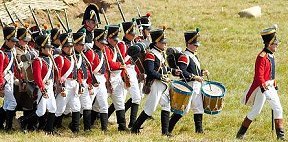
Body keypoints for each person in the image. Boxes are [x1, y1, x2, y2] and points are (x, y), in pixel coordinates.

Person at [236, 25, 285, 140]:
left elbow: (271, 72)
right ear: (269, 44)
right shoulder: (262, 57)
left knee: (255, 111)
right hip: (263, 87)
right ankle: (281, 137)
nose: (277, 45)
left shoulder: (271, 55)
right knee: (278, 109)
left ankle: (240, 134)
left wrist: (274, 82)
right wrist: (265, 88)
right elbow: (259, 76)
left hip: (269, 85)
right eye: (275, 43)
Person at [131, 29, 181, 136]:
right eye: (163, 42)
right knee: (150, 108)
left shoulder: (159, 53)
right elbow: (150, 71)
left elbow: (162, 67)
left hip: (161, 84)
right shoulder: (151, 55)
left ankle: (165, 132)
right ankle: (134, 128)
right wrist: (162, 77)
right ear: (157, 42)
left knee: (166, 105)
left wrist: (172, 71)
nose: (165, 44)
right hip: (155, 83)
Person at [168, 29, 209, 135]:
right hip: (189, 85)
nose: (197, 46)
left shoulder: (194, 56)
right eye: (194, 45)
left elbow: (193, 69)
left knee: (199, 108)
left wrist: (202, 72)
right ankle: (168, 129)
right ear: (188, 44)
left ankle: (199, 131)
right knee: (183, 110)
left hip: (196, 85)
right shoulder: (184, 56)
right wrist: (195, 77)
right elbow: (182, 72)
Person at [107, 21, 142, 128]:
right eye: (131, 33)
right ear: (126, 33)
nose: (133, 35)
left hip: (132, 70)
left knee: (136, 97)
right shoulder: (121, 44)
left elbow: (135, 61)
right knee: (121, 99)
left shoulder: (133, 44)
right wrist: (124, 73)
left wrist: (139, 72)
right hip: (125, 70)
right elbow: (122, 61)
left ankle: (133, 122)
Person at [54, 33, 81, 133]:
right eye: (67, 47)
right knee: (60, 108)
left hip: (74, 85)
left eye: (71, 46)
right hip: (65, 86)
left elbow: (77, 72)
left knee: (76, 106)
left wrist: (80, 84)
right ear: (63, 47)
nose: (70, 48)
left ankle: (75, 129)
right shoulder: (60, 58)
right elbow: (58, 75)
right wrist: (61, 87)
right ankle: (53, 127)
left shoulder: (73, 58)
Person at [84, 28, 109, 131]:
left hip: (101, 79)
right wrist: (90, 82)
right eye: (102, 43)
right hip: (93, 79)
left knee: (104, 104)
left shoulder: (102, 53)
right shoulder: (90, 53)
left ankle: (104, 128)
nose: (104, 45)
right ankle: (87, 127)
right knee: (88, 104)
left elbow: (105, 69)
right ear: (96, 41)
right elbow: (87, 69)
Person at [31, 34, 57, 135]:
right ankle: (24, 122)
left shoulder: (50, 59)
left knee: (53, 108)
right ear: (42, 48)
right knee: (41, 111)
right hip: (41, 88)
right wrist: (42, 89)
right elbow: (37, 77)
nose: (51, 49)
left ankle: (49, 130)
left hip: (49, 87)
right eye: (48, 47)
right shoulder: (38, 60)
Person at [0, 26, 19, 131]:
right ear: (6, 40)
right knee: (12, 103)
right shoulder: (1, 54)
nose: (14, 43)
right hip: (4, 81)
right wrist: (1, 85)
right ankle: (8, 127)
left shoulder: (11, 52)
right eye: (12, 41)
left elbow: (14, 68)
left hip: (10, 79)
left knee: (7, 104)